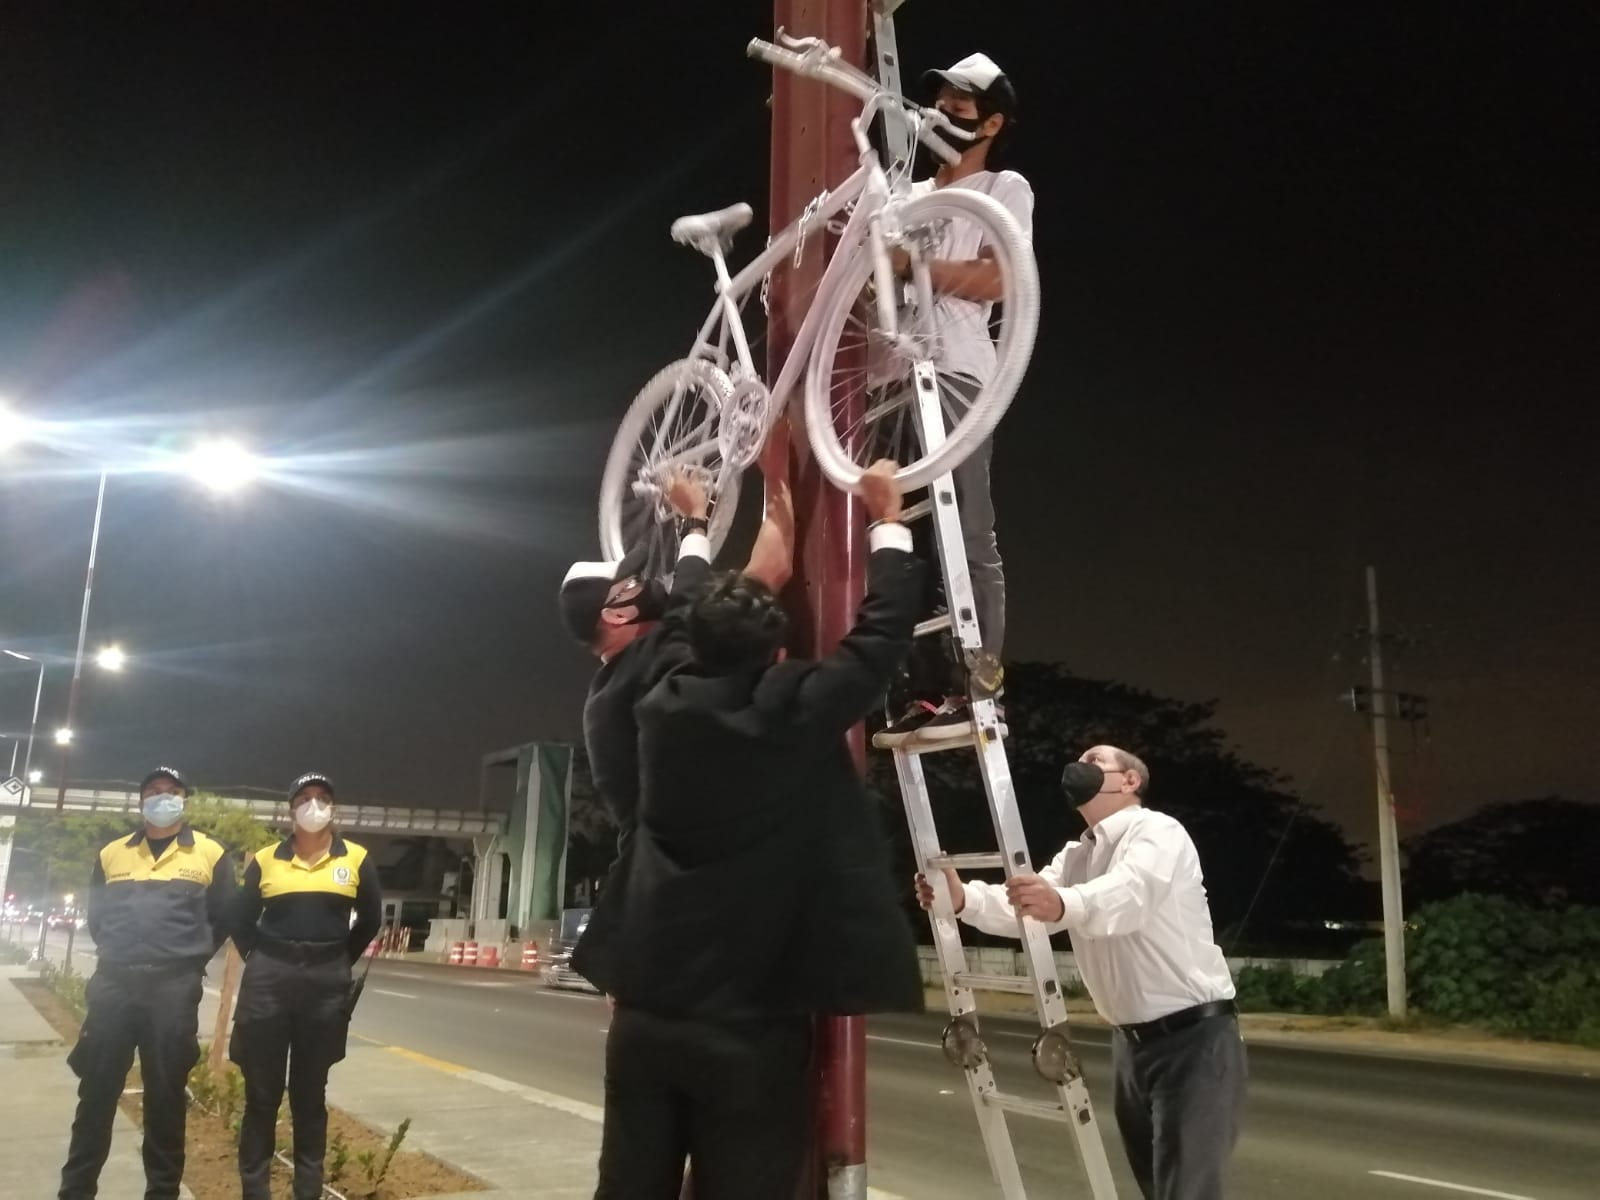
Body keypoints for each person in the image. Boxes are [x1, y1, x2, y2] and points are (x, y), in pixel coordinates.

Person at [584, 459, 925, 1199]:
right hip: (746, 1029)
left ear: (694, 645)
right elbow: (881, 638)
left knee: (626, 1188)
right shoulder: (793, 705)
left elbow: (685, 613)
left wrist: (883, 522)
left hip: (643, 1018)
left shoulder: (660, 701)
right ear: (778, 652)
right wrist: (891, 520)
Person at [916, 745, 1246, 1200]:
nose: (1080, 767)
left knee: (1187, 1189)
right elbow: (1028, 904)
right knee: (1155, 1185)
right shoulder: (1077, 856)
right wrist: (962, 899)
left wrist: (1066, 904)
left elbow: (1130, 893)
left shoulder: (1158, 832)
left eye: (1096, 761)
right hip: (1130, 1045)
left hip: (1193, 1039)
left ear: (1130, 781)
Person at [877, 51, 1034, 748]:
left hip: (960, 371)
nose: (943, 114)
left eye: (961, 106)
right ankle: (919, 691)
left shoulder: (1003, 187)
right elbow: (866, 287)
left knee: (965, 531)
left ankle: (978, 685)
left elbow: (997, 280)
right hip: (886, 378)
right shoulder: (903, 193)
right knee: (897, 538)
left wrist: (915, 265)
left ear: (992, 121)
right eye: (937, 102)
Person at [59, 766, 235, 1200]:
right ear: (141, 801)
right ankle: (75, 1191)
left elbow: (225, 916)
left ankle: (162, 1192)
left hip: (171, 991)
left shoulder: (210, 854)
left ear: (184, 799)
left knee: (166, 1098)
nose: (162, 798)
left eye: (171, 791)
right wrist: (123, 955)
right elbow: (96, 918)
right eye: (153, 791)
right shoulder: (112, 853)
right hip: (113, 987)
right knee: (96, 1093)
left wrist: (188, 958)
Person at [230, 772, 383, 1200]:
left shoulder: (355, 859)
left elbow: (371, 920)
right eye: (304, 798)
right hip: (269, 980)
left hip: (325, 982)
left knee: (310, 1096)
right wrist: (261, 961)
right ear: (290, 807)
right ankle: (255, 1191)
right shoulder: (265, 859)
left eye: (322, 798)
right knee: (261, 1094)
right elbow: (240, 921)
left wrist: (335, 959)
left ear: (334, 808)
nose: (313, 805)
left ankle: (307, 1191)